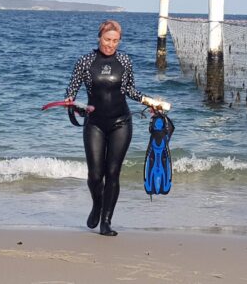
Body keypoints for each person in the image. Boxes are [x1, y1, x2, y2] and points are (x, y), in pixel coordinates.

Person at [65, 20, 169, 236]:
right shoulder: (85, 61)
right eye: (107, 40)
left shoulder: (124, 61)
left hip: (121, 123)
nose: (110, 45)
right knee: (95, 175)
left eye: (115, 41)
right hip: (95, 124)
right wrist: (71, 103)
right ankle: (97, 204)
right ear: (99, 38)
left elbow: (130, 90)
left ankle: (106, 222)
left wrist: (151, 102)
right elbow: (71, 91)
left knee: (112, 172)